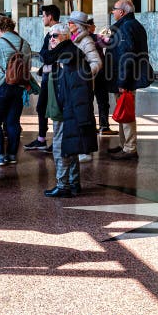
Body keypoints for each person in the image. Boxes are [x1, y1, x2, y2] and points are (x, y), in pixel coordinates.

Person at [41, 23, 97, 197]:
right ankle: (73, 182)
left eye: (55, 36)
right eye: (50, 36)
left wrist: (74, 112)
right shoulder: (61, 55)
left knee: (61, 147)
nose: (51, 39)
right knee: (69, 146)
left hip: (65, 109)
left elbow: (78, 87)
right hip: (61, 107)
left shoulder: (69, 57)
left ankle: (63, 184)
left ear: (65, 37)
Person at [105, 0, 154, 160]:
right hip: (125, 78)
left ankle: (130, 148)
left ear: (123, 12)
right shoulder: (132, 25)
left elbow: (126, 57)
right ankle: (124, 144)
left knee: (127, 113)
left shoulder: (126, 27)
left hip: (126, 79)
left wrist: (122, 82)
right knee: (123, 112)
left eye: (115, 9)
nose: (112, 11)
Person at [0, 15, 31, 166]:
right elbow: (27, 66)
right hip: (18, 87)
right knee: (13, 122)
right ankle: (11, 155)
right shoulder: (25, 43)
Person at [66, 11, 102, 163]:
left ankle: (85, 150)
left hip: (82, 85)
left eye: (71, 23)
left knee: (84, 116)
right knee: (76, 116)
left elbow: (97, 63)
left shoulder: (86, 41)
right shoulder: (73, 39)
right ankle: (78, 147)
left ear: (79, 26)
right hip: (73, 85)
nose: (69, 25)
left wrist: (83, 75)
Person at [24, 4, 60, 152]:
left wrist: (43, 55)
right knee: (42, 107)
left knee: (52, 108)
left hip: (53, 75)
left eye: (43, 16)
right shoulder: (53, 31)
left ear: (50, 17)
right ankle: (41, 139)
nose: (42, 18)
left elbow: (48, 55)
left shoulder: (56, 32)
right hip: (48, 73)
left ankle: (52, 140)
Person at [88, 19, 115, 136]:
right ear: (88, 26)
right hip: (99, 73)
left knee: (87, 101)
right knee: (102, 101)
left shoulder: (76, 39)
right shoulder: (95, 37)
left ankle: (90, 127)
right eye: (93, 25)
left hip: (85, 74)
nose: (94, 26)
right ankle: (104, 126)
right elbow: (109, 42)